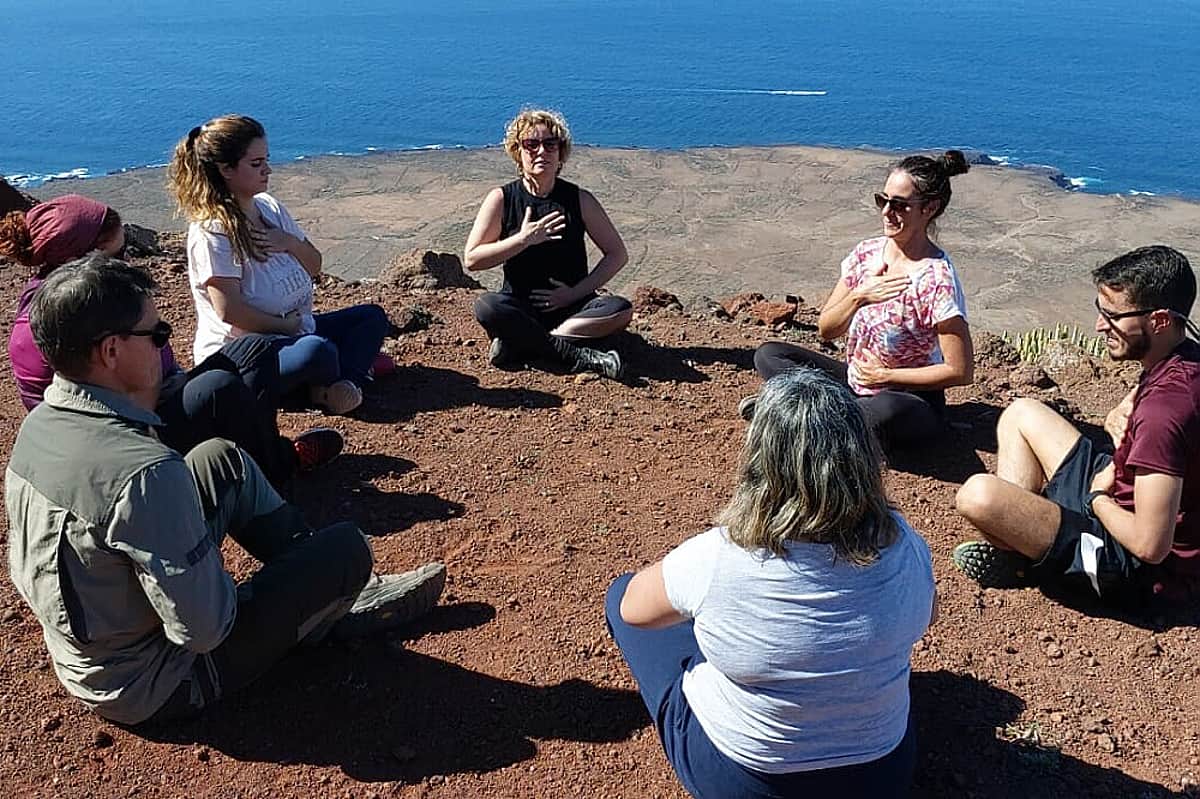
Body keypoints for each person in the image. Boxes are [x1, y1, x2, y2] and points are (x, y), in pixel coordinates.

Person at [4, 253, 446, 726]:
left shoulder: (38, 428)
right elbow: (205, 631)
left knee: (222, 458)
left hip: (92, 654)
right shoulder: (143, 473)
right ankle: (334, 600)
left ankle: (326, 594)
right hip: (158, 682)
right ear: (110, 352)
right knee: (345, 549)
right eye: (156, 335)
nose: (163, 347)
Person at [607, 369, 936, 798]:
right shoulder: (901, 540)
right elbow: (926, 613)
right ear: (862, 456)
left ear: (761, 461)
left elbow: (635, 609)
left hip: (750, 782)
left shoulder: (722, 556)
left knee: (623, 595)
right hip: (882, 776)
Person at [0, 194, 341, 481]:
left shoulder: (94, 301)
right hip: (122, 436)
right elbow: (103, 407)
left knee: (254, 350)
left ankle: (254, 459)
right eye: (117, 256)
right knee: (219, 388)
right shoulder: (51, 324)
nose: (128, 261)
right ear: (79, 261)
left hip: (153, 402)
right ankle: (273, 473)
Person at [954, 245, 1200, 607]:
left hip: (1133, 566)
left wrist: (1097, 499)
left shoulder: (1165, 413)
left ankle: (1031, 561)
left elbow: (1151, 546)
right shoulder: (1182, 358)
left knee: (979, 496)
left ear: (1160, 321)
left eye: (1114, 315)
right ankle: (1026, 543)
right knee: (1023, 412)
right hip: (1123, 490)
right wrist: (1119, 414)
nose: (1101, 324)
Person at [743, 150, 974, 451]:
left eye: (900, 205)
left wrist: (887, 375)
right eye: (883, 200)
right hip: (855, 381)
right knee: (769, 355)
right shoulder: (866, 254)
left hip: (906, 396)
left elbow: (960, 371)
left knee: (885, 412)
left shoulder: (937, 279)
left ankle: (794, 414)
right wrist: (860, 295)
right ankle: (820, 418)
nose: (886, 212)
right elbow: (827, 329)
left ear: (929, 208)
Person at [169, 114, 391, 415]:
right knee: (317, 350)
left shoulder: (269, 208)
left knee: (371, 318)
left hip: (296, 329)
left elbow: (315, 265)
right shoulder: (213, 233)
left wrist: (288, 242)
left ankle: (342, 385)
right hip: (246, 351)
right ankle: (338, 377)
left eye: (266, 160)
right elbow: (229, 310)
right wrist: (284, 326)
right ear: (226, 169)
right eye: (256, 163)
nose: (267, 170)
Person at [465, 108, 632, 380]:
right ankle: (576, 355)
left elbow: (617, 254)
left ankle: (524, 344)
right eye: (531, 144)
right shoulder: (501, 199)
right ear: (517, 152)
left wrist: (572, 294)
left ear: (560, 152)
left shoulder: (580, 199)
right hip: (521, 306)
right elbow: (473, 259)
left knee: (621, 310)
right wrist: (522, 239)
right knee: (487, 306)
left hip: (574, 307)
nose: (541, 151)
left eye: (550, 144)